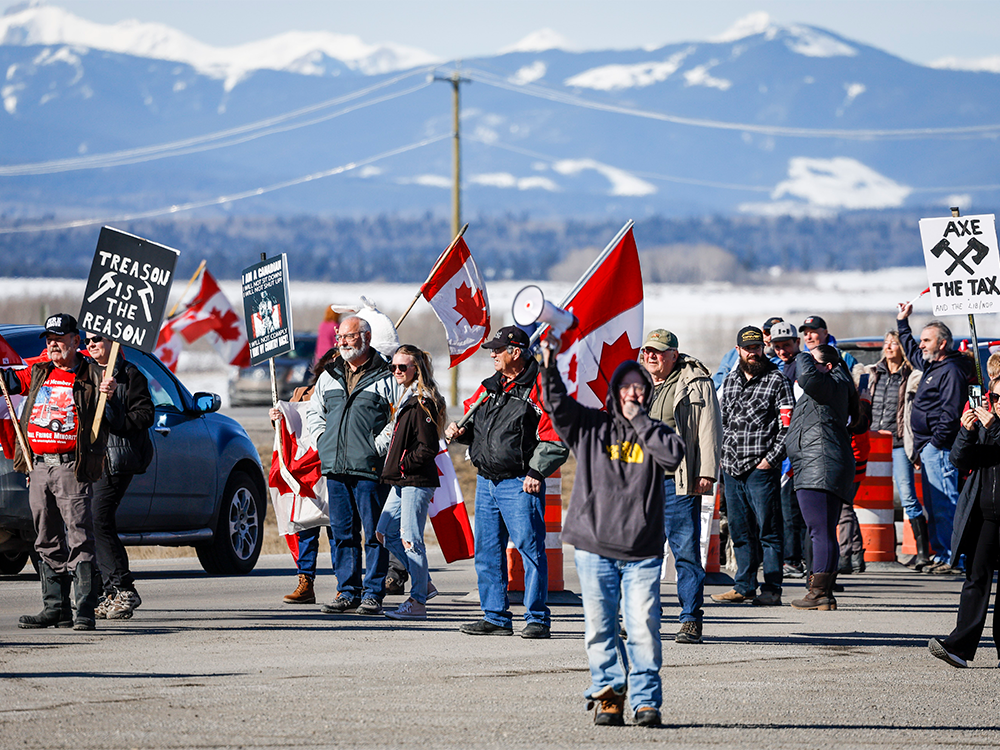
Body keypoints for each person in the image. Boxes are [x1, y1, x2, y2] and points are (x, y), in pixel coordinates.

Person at [541, 343, 684, 727]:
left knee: (642, 629)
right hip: (594, 547)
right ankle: (608, 697)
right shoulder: (591, 427)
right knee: (600, 629)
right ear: (613, 392)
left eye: (640, 388)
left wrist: (639, 420)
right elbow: (555, 403)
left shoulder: (657, 433)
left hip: (641, 550)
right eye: (626, 387)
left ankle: (646, 702)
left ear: (648, 394)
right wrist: (549, 361)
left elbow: (672, 457)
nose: (633, 393)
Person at [445, 326, 568, 639]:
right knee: (487, 552)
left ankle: (537, 618)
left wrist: (537, 472)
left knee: (531, 551)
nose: (492, 354)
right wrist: (460, 432)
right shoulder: (490, 387)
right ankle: (496, 616)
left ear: (516, 352)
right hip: (487, 481)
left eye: (498, 349)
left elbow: (555, 439)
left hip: (520, 483)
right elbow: (474, 424)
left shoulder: (541, 387)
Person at [2, 314, 118, 631]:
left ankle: (84, 610)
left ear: (75, 341)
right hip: (39, 464)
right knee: (45, 536)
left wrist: (111, 392)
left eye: (59, 338)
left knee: (79, 533)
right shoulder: (40, 372)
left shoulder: (93, 374)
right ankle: (55, 608)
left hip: (72, 465)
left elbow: (117, 413)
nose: (53, 344)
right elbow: (14, 382)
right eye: (49, 339)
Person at [305, 315, 396, 616]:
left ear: (365, 337)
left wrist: (377, 446)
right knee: (343, 533)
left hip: (369, 469)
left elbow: (398, 417)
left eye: (348, 336)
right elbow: (314, 413)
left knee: (373, 534)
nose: (341, 341)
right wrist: (323, 440)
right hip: (335, 467)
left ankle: (373, 593)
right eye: (339, 336)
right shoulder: (329, 375)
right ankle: (347, 591)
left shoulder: (386, 374)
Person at [641, 328, 721, 645]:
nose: (651, 356)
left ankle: (690, 620)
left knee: (685, 555)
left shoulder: (695, 383)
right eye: (647, 350)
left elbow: (709, 429)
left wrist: (707, 473)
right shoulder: (637, 384)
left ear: (674, 354)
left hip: (678, 481)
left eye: (658, 351)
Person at [713, 326, 793, 606]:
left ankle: (772, 589)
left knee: (768, 531)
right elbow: (722, 421)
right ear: (738, 351)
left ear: (763, 348)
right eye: (748, 349)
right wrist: (721, 457)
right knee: (740, 530)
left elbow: (788, 426)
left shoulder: (777, 380)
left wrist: (770, 459)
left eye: (757, 347)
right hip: (732, 469)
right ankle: (744, 585)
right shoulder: (731, 381)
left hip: (761, 469)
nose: (753, 353)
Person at [928, 378, 1000, 668]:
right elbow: (959, 460)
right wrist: (967, 431)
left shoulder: (994, 425)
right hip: (984, 516)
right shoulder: (986, 424)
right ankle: (959, 646)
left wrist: (994, 427)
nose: (995, 401)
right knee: (975, 580)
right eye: (993, 396)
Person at [896, 303, 971, 574]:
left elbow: (951, 413)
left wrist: (935, 443)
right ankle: (942, 555)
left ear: (942, 344)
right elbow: (911, 350)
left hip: (938, 448)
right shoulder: (931, 366)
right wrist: (902, 322)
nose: (922, 345)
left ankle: (954, 558)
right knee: (934, 504)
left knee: (945, 504)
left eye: (927, 340)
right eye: (922, 339)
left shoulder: (950, 371)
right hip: (927, 448)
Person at [86, 333, 155, 621]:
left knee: (98, 517)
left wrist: (112, 404)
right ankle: (106, 592)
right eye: (87, 341)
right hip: (87, 457)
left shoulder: (130, 375)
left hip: (116, 458)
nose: (91, 345)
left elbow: (145, 415)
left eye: (97, 340)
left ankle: (123, 588)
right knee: (87, 521)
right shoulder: (86, 372)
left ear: (114, 343)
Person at [376, 345, 446, 621]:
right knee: (384, 532)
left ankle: (417, 601)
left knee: (410, 539)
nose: (396, 371)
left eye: (402, 367)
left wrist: (404, 464)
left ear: (416, 369)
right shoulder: (405, 397)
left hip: (415, 480)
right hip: (400, 481)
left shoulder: (422, 401)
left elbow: (428, 447)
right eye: (393, 367)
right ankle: (424, 582)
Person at [786, 345, 859, 610]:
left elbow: (806, 376)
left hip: (820, 465)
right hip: (821, 464)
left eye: (812, 360)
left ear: (827, 366)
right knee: (823, 530)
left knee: (820, 530)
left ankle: (819, 592)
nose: (803, 363)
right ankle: (823, 592)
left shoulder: (829, 383)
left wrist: (802, 354)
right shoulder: (833, 384)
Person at [272, 347, 338, 605]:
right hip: (307, 471)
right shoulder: (303, 393)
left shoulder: (348, 393)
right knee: (306, 527)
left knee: (339, 531)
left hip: (333, 467)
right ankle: (305, 581)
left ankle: (345, 585)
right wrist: (278, 419)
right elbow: (291, 429)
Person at [864, 331, 926, 569]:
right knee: (866, 499)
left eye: (894, 343)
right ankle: (863, 551)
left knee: (907, 495)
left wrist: (916, 444)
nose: (889, 346)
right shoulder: (872, 372)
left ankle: (921, 553)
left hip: (900, 442)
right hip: (873, 440)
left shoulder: (911, 375)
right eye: (887, 342)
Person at [770, 322, 808, 578]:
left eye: (787, 345)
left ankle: (794, 559)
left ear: (797, 342)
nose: (783, 350)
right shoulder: (780, 368)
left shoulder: (803, 366)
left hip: (798, 447)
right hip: (782, 446)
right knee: (785, 508)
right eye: (778, 346)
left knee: (792, 509)